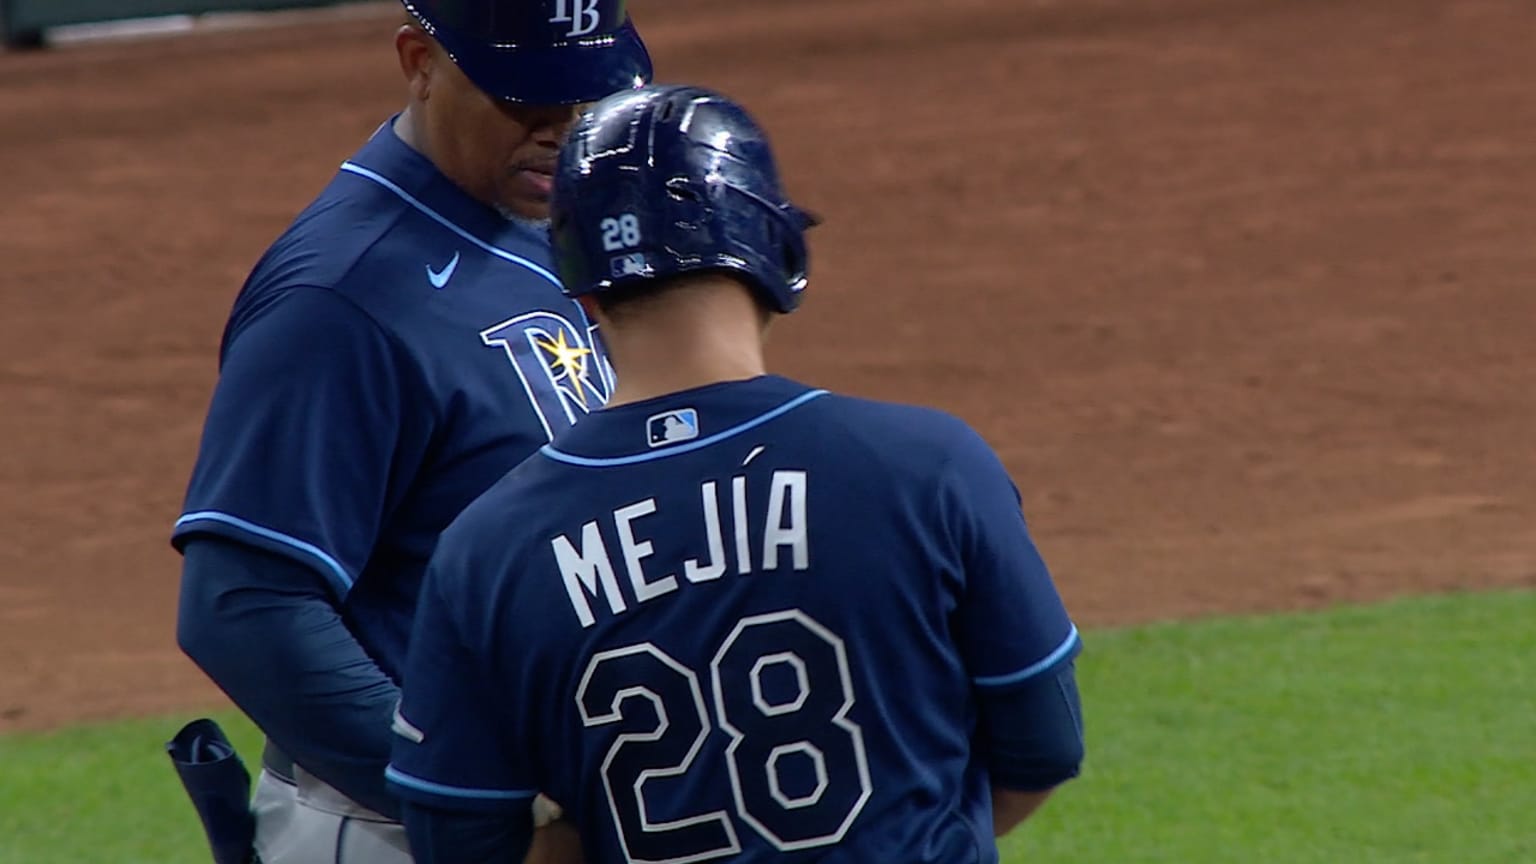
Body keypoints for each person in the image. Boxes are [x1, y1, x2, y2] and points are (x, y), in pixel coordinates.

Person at [386, 84, 1087, 864]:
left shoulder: (485, 552)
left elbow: (458, 842)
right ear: (778, 252)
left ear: (580, 292)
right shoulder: (930, 467)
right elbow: (1044, 748)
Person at [170, 2, 651, 862]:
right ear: (420, 61)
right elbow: (242, 606)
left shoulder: (536, 214)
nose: (564, 130)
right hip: (400, 837)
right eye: (527, 99)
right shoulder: (341, 301)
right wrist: (474, 801)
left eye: (586, 98)